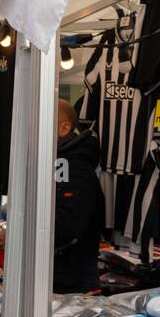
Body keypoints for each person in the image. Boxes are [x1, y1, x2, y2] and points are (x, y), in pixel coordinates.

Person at [53, 99, 105, 293]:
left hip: (72, 285)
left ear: (64, 128)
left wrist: (18, 234)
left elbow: (67, 223)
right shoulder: (58, 163)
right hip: (58, 278)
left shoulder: (76, 167)